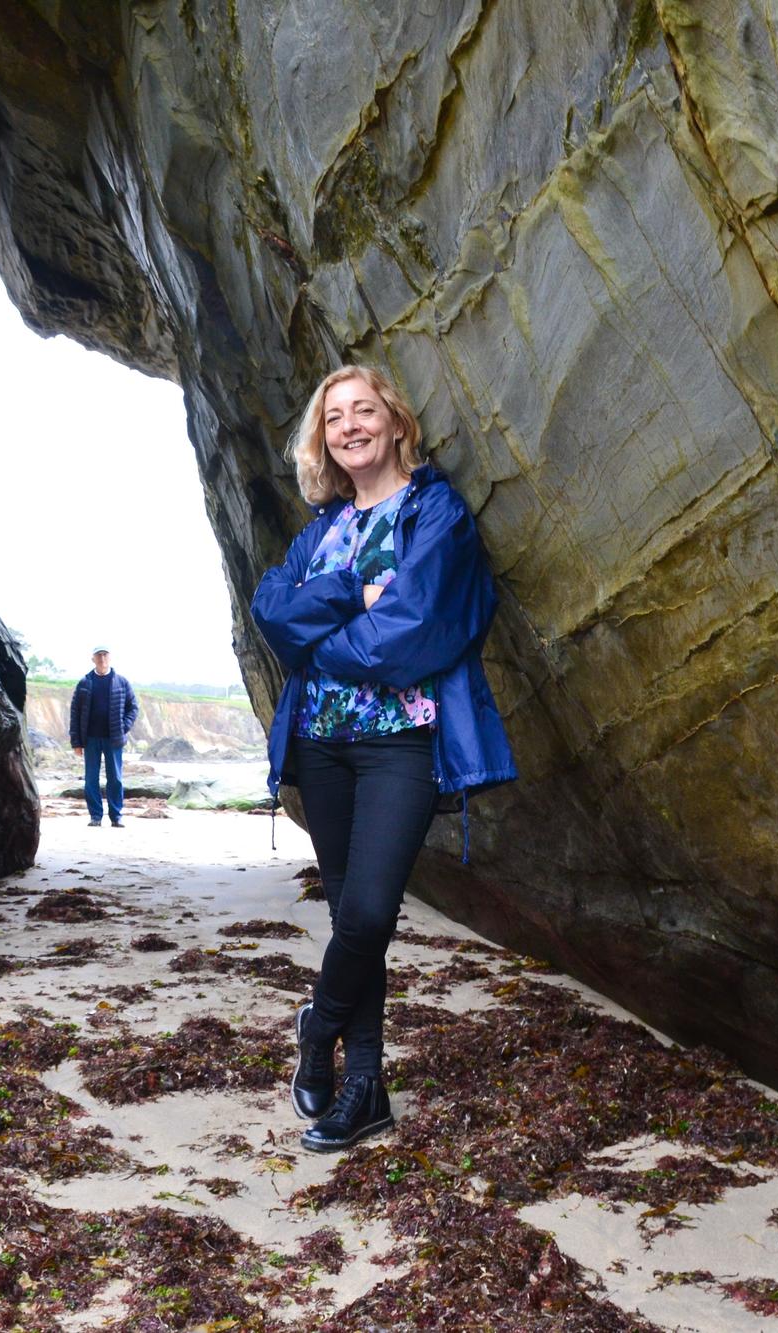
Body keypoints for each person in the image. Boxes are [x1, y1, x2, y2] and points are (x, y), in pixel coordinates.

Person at [249, 364, 517, 1152]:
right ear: (323, 438)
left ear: (395, 422)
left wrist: (320, 631)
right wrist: (349, 597)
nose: (350, 426)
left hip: (400, 740)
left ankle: (316, 1028)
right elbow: (272, 609)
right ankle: (363, 1087)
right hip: (322, 744)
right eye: (335, 417)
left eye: (364, 410)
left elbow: (414, 629)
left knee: (368, 912)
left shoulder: (436, 512)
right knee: (347, 920)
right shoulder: (322, 529)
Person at [70, 647, 138, 827]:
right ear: (92, 659)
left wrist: (124, 727)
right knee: (91, 779)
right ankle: (95, 816)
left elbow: (133, 708)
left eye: (105, 655)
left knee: (115, 778)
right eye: (98, 655)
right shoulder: (84, 682)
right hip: (90, 739)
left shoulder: (121, 682)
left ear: (110, 658)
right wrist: (76, 742)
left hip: (114, 739)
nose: (102, 658)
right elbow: (75, 713)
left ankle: (116, 816)